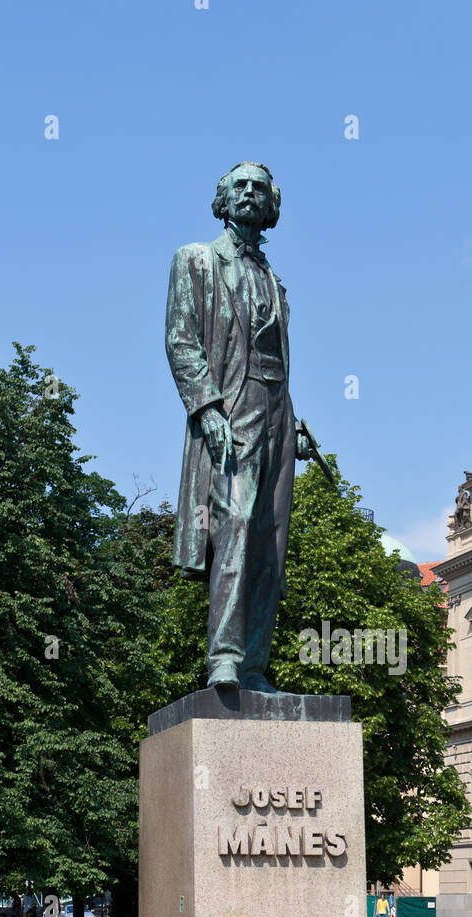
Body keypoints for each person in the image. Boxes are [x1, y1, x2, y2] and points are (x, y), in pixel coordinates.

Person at [165, 161, 317, 692]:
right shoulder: (196, 260)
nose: (251, 194)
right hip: (231, 407)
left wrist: (293, 421)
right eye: (240, 187)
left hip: (276, 410)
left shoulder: (275, 280)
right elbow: (181, 341)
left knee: (270, 544)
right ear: (223, 201)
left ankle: (254, 665)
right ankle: (225, 659)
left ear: (272, 205)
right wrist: (207, 409)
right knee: (231, 530)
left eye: (260, 188)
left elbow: (277, 357)